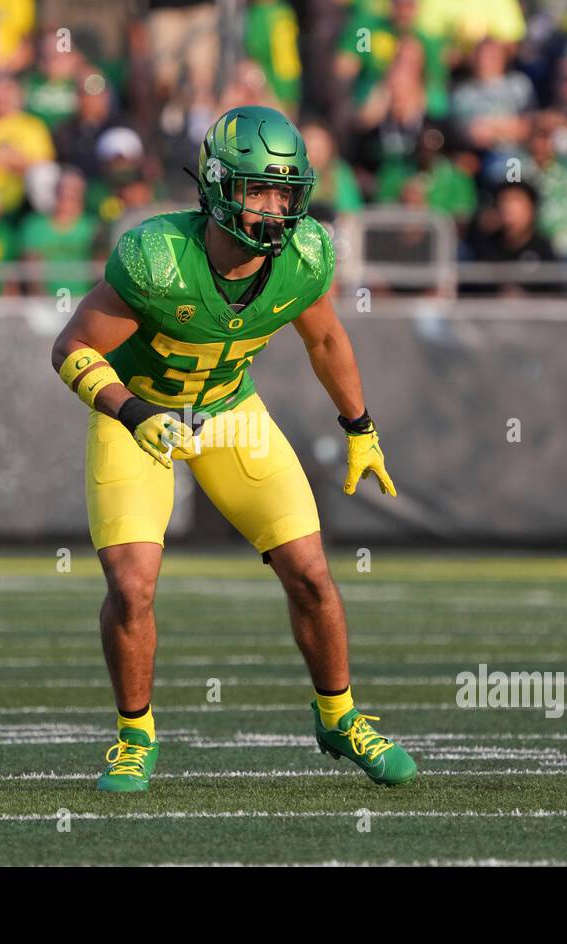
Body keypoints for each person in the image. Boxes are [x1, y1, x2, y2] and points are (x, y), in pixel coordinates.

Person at [49, 105, 418, 792]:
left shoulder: (305, 255)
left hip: (229, 413)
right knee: (132, 585)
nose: (277, 208)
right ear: (218, 187)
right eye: (258, 190)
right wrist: (132, 414)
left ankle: (339, 716)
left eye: (286, 192)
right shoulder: (158, 258)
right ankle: (135, 737)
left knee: (310, 572)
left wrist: (360, 427)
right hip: (140, 412)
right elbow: (70, 347)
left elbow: (328, 339)